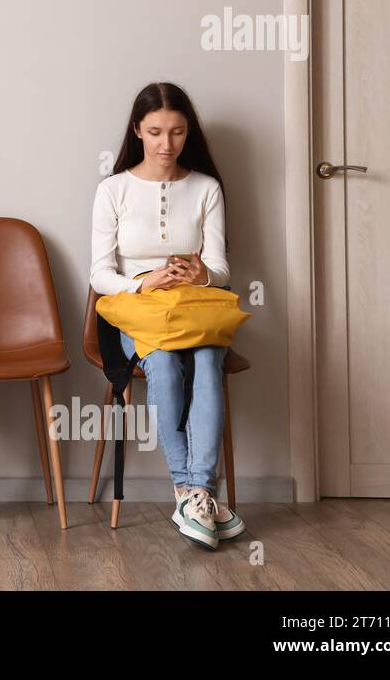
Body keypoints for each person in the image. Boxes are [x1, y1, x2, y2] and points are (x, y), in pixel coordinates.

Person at [90, 81, 245, 550]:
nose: (166, 144)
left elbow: (220, 270)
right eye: (155, 131)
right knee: (161, 363)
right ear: (137, 130)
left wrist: (202, 273)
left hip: (194, 307)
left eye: (176, 132)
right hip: (137, 309)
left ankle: (197, 491)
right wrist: (142, 283)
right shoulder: (113, 189)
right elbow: (99, 274)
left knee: (208, 361)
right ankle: (190, 489)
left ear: (187, 132)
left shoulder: (206, 188)